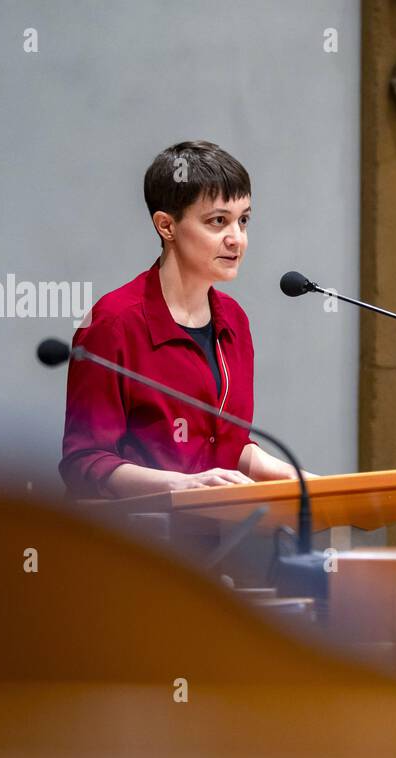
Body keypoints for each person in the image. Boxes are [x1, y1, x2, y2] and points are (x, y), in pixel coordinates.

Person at [58, 141, 309, 498]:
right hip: (140, 543)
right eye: (217, 221)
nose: (236, 239)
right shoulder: (113, 323)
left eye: (243, 220)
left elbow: (228, 445)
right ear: (166, 226)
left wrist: (312, 483)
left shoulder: (234, 321)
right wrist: (182, 485)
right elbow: (84, 461)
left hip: (226, 535)